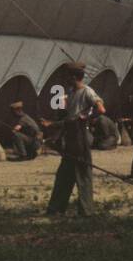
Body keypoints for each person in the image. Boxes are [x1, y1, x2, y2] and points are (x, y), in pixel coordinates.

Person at [40, 62, 104, 215]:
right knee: (64, 174)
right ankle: (55, 209)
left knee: (83, 175)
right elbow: (67, 117)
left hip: (81, 137)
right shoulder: (71, 91)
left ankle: (87, 211)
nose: (65, 79)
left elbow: (101, 108)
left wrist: (86, 117)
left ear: (74, 77)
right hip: (71, 138)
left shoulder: (87, 91)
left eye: (68, 76)